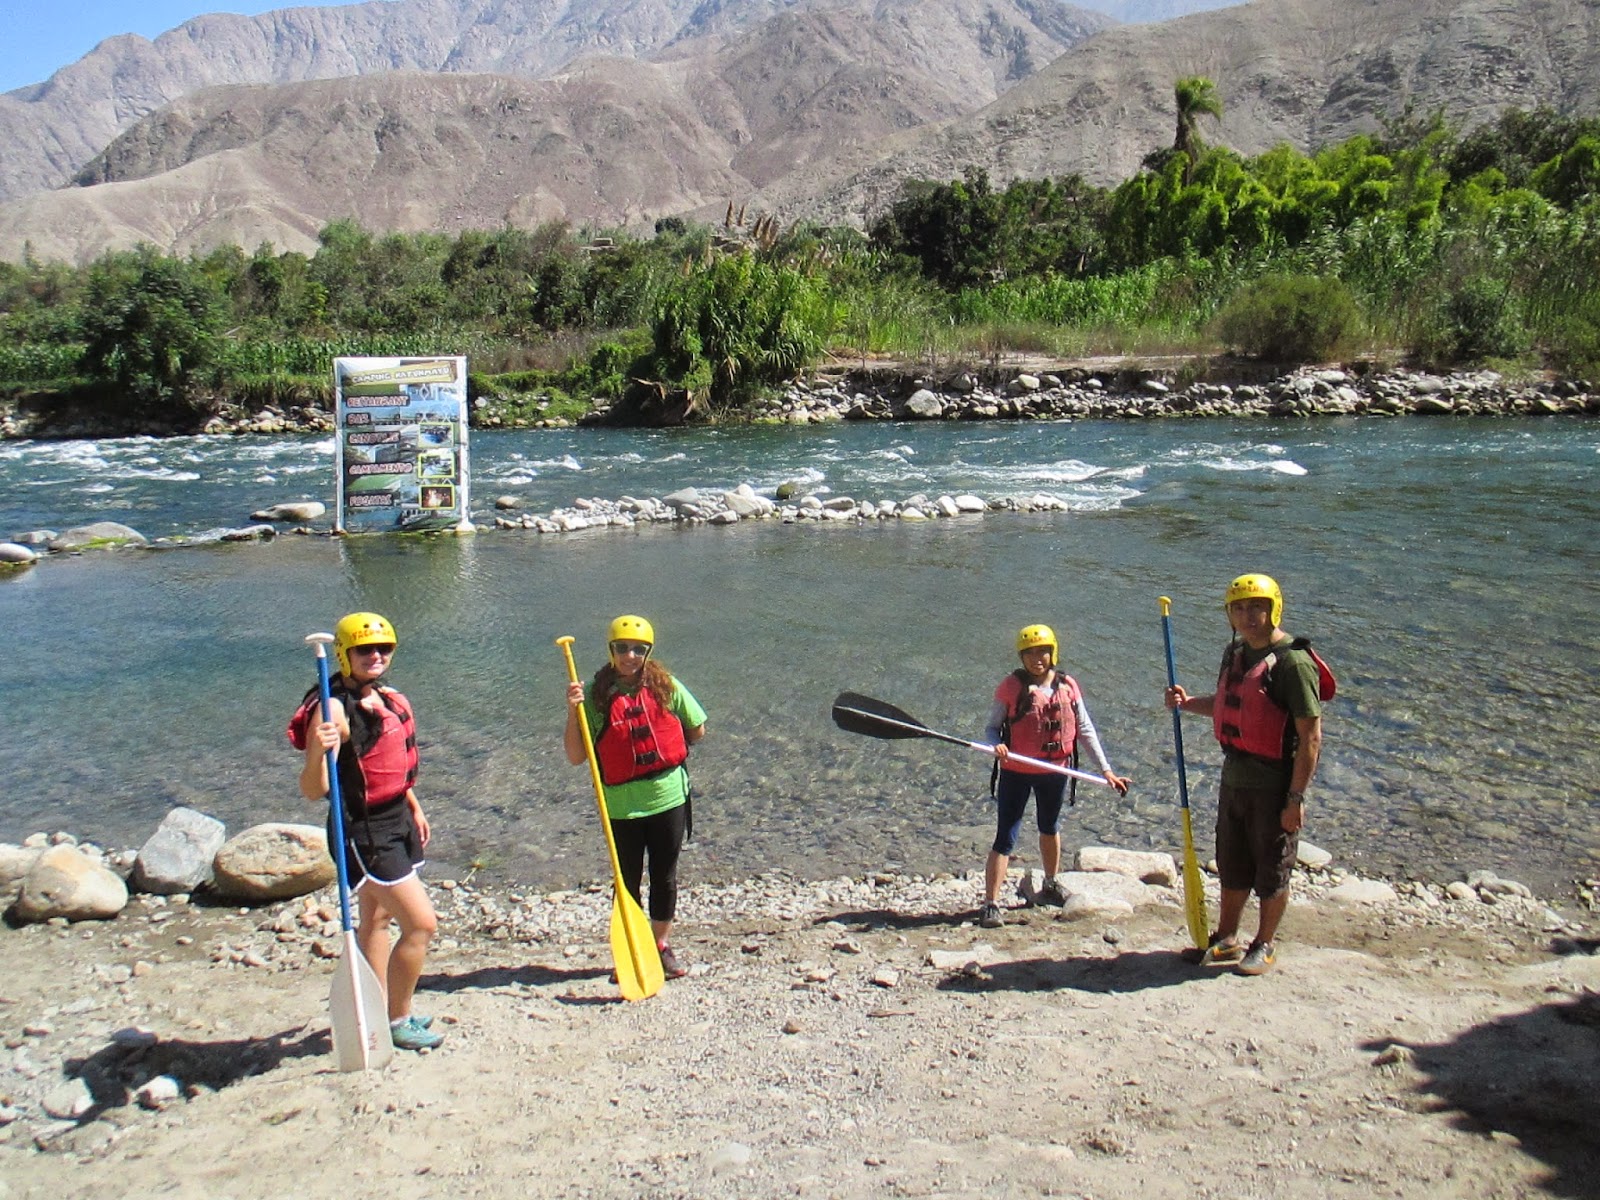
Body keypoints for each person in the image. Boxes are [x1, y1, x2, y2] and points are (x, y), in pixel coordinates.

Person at [289, 611, 443, 1051]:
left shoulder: (387, 697)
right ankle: (397, 1018)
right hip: (365, 831)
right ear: (344, 654)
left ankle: (375, 1009)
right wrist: (320, 748)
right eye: (364, 650)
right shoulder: (334, 708)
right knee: (421, 925)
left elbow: (390, 764)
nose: (375, 656)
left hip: (397, 817)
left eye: (384, 648)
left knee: (376, 919)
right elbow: (313, 789)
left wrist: (413, 803)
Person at [1164, 574, 1325, 976]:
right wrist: (1187, 704)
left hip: (1274, 784)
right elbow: (1228, 704)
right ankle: (1226, 938)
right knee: (1232, 862)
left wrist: (1296, 799)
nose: (1248, 615)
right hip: (1234, 777)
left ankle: (1264, 943)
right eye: (1238, 608)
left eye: (1257, 606)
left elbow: (1311, 737)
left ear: (1275, 609)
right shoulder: (1234, 653)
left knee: (1272, 868)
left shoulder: (1293, 663)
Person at [564, 615, 706, 979]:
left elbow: (698, 729)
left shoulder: (665, 685)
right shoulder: (594, 695)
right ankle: (630, 947)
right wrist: (573, 710)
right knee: (626, 882)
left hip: (668, 797)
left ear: (649, 652)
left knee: (664, 876)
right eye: (622, 648)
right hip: (622, 807)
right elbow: (576, 756)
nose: (630, 655)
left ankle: (660, 946)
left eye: (638, 649)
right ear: (610, 649)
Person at [980, 623, 1131, 928]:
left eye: (1043, 652)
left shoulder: (1068, 686)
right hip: (1016, 772)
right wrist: (995, 746)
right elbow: (991, 728)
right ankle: (991, 904)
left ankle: (1049, 883)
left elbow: (1085, 730)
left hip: (1055, 771)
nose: (1037, 658)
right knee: (1005, 836)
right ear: (1021, 657)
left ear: (1053, 653)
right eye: (1030, 653)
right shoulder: (1010, 687)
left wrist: (1106, 770)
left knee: (1050, 827)